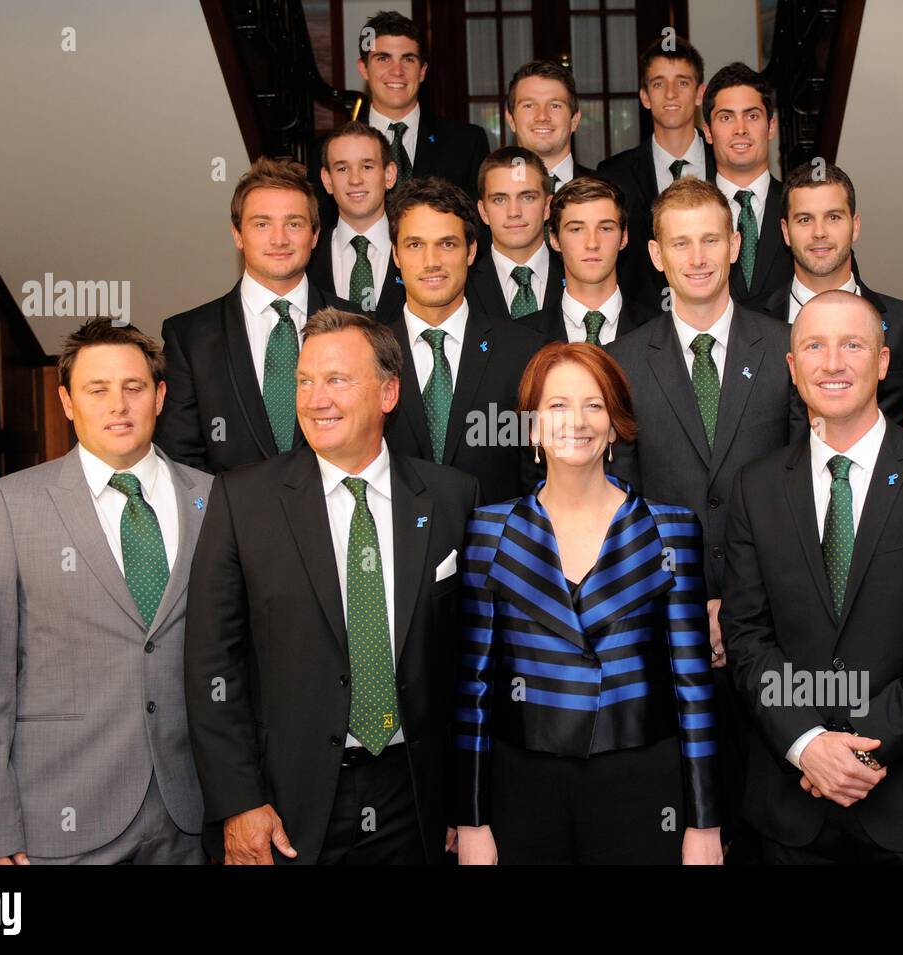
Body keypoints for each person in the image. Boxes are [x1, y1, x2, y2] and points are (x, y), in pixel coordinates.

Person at [185, 308, 479, 864]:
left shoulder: (451, 499)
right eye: (304, 381)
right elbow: (211, 667)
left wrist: (467, 802)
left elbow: (472, 666)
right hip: (287, 806)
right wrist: (241, 800)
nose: (315, 399)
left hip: (416, 798)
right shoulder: (242, 501)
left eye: (337, 380)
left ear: (388, 393)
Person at [723, 290, 903, 863]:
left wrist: (859, 750)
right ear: (792, 367)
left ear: (882, 361)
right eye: (814, 346)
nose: (833, 363)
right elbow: (747, 636)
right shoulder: (755, 487)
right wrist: (809, 746)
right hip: (791, 811)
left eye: (853, 344)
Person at [0, 319, 211, 865]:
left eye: (134, 387)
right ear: (67, 402)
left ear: (160, 397)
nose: (118, 405)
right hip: (59, 817)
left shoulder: (213, 500)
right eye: (97, 389)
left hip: (189, 814)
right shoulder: (13, 506)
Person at [455, 342, 722, 865]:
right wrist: (471, 819)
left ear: (616, 424)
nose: (576, 421)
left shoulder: (671, 530)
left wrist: (704, 823)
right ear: (531, 427)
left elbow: (693, 685)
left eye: (594, 405)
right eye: (556, 406)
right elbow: (475, 688)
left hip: (642, 787)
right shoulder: (488, 531)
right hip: (523, 792)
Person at [607, 177, 804, 862]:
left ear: (735, 243)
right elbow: (620, 502)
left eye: (710, 239)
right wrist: (694, 605)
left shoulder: (787, 349)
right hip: (665, 631)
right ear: (656, 254)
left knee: (769, 822)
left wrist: (739, 604)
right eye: (680, 241)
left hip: (777, 629)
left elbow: (800, 495)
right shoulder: (623, 362)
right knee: (684, 823)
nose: (697, 256)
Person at [760, 161, 903, 449]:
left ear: (855, 226)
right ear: (786, 232)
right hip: (776, 492)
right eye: (804, 220)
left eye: (834, 217)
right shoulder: (750, 323)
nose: (819, 232)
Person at [155, 157, 356, 473]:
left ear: (315, 234)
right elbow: (181, 463)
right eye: (262, 224)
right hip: (231, 518)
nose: (279, 239)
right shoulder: (189, 336)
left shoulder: (357, 325)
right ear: (237, 234)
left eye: (294, 223)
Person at [383, 176, 547, 504]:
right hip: (397, 551)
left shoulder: (525, 352)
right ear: (396, 255)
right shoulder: (366, 353)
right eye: (415, 244)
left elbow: (540, 477)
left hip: (498, 548)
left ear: (471, 251)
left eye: (447, 244)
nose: (432, 262)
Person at [310, 8, 488, 224]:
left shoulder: (467, 143)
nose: (397, 71)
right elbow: (323, 230)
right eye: (383, 58)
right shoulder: (327, 149)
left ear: (422, 71)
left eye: (408, 59)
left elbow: (478, 228)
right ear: (363, 68)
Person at [598, 35, 714, 303]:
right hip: (639, 324)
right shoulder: (613, 174)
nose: (671, 94)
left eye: (682, 83)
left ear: (699, 93)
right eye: (659, 83)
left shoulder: (723, 164)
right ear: (645, 96)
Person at [519, 175, 655, 345]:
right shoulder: (521, 337)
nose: (592, 243)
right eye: (576, 229)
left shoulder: (661, 331)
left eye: (605, 228)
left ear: (624, 236)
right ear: (554, 239)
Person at [701, 62, 794, 310]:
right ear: (708, 132)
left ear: (771, 127)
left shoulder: (799, 207)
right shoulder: (683, 214)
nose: (740, 129)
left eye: (752, 116)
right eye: (726, 117)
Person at [309, 121, 405, 325]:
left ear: (389, 175)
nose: (355, 180)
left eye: (367, 166)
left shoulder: (418, 249)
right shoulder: (307, 255)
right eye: (342, 168)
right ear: (327, 180)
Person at [468, 146, 564, 323]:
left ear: (546, 207)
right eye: (499, 200)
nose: (514, 212)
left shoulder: (576, 274)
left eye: (527, 197)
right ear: (483, 211)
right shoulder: (463, 284)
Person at [505, 60, 594, 190]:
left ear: (574, 120)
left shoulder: (610, 192)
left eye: (555, 106)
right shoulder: (482, 195)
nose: (542, 116)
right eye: (529, 105)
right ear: (511, 120)